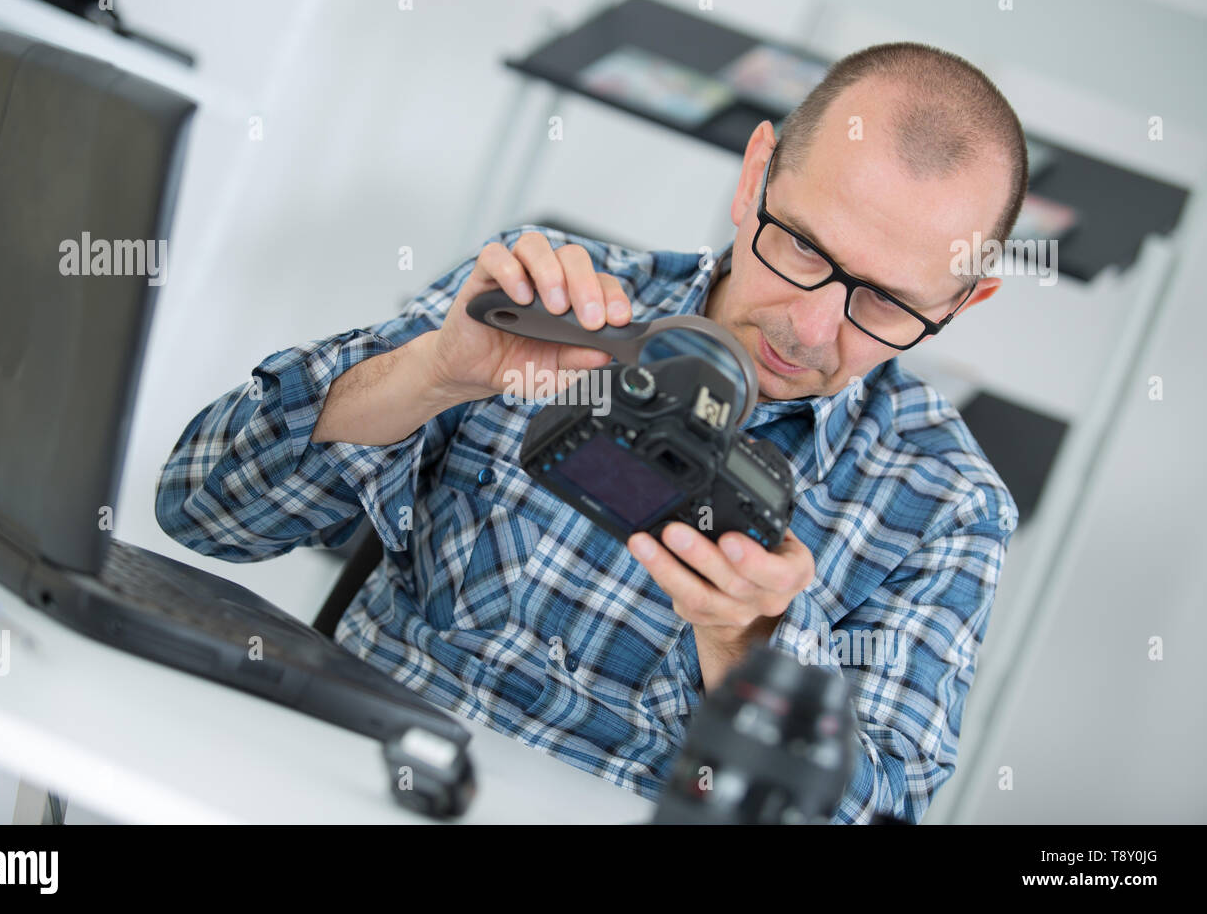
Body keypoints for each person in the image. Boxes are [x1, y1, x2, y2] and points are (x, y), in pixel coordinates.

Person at [155, 41, 1025, 823]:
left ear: (963, 298)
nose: (810, 326)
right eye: (801, 245)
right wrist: (430, 375)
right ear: (756, 173)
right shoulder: (554, 294)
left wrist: (746, 647)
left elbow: (874, 815)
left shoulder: (950, 507)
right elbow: (201, 508)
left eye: (884, 302)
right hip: (327, 792)